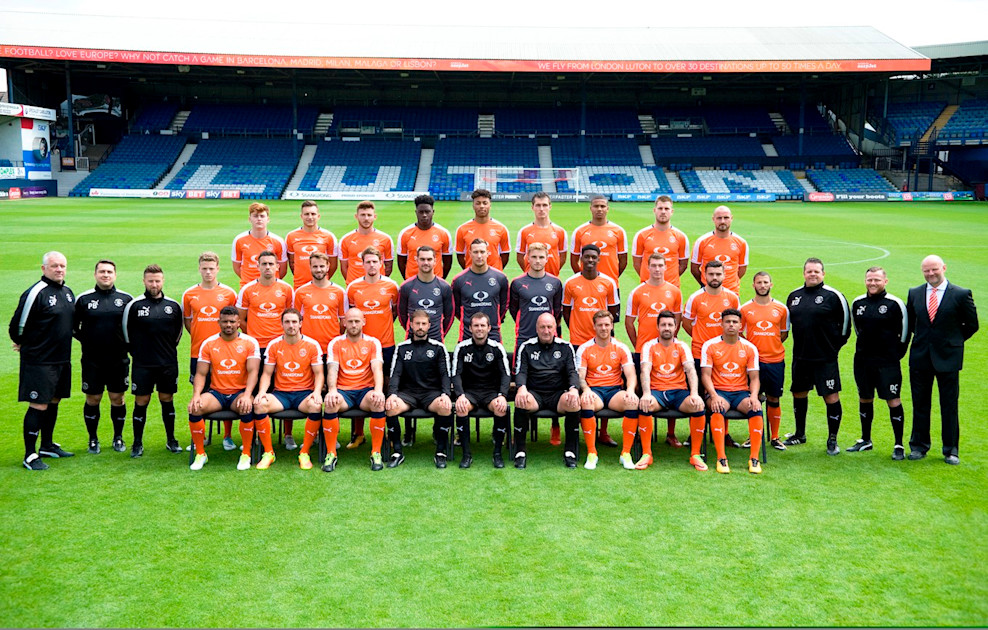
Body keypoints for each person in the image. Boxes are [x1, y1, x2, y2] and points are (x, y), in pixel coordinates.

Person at [905, 255, 978, 465]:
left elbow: (972, 324)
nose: (931, 274)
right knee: (920, 404)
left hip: (948, 358)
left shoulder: (961, 294)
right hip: (920, 358)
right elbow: (911, 323)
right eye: (926, 271)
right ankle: (918, 446)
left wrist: (953, 341)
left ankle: (951, 449)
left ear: (944, 268)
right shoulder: (915, 293)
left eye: (934, 269)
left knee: (949, 405)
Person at [9, 251, 75, 470]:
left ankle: (47, 444)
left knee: (54, 401)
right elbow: (16, 326)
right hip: (39, 361)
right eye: (54, 266)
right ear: (43, 268)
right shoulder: (35, 293)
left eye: (62, 266)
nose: (59, 270)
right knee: (39, 404)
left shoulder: (67, 292)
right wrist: (24, 344)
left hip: (61, 360)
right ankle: (30, 454)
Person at [784, 258, 851, 455]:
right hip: (801, 357)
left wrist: (833, 348)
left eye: (816, 271)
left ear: (823, 274)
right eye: (809, 271)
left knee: (830, 396)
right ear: (804, 273)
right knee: (799, 393)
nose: (812, 274)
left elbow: (846, 325)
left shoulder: (834, 296)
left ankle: (832, 439)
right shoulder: (794, 296)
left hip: (825, 359)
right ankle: (799, 433)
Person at [187, 307, 261, 471]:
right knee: (195, 408)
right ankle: (201, 454)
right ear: (218, 322)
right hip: (217, 394)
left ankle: (246, 454)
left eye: (232, 321)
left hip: (239, 393)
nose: (228, 325)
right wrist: (196, 395)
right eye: (225, 321)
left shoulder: (250, 342)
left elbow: (253, 371)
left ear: (239, 323)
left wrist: (248, 395)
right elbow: (200, 373)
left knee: (246, 406)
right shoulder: (209, 343)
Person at [122, 264, 184, 458]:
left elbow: (178, 334)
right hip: (143, 364)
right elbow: (126, 333)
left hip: (167, 363)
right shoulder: (134, 305)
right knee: (142, 401)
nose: (154, 284)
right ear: (144, 281)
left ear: (163, 281)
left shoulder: (173, 306)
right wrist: (138, 353)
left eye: (157, 280)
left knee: (167, 399)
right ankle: (137, 443)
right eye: (150, 281)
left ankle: (171, 440)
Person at [253, 309, 325, 470]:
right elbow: (266, 373)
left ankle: (304, 452)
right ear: (282, 324)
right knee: (259, 404)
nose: (291, 325)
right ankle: (268, 452)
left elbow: (319, 374)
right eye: (287, 322)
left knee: (315, 405)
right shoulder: (274, 345)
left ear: (300, 324)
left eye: (294, 322)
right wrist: (262, 392)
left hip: (304, 394)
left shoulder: (312, 345)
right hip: (281, 395)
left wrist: (317, 392)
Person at [848, 267, 909, 458]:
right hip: (863, 361)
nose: (872, 283)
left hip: (888, 363)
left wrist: (894, 355)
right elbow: (858, 330)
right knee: (865, 398)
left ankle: (898, 444)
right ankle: (866, 440)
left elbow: (905, 333)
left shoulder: (895, 304)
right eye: (869, 280)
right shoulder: (858, 303)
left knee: (893, 400)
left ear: (885, 281)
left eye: (876, 280)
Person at [563, 244, 619, 446]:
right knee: (578, 387)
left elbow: (613, 312)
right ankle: (576, 430)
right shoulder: (570, 283)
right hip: (578, 343)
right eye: (586, 257)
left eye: (594, 257)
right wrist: (577, 331)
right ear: (580, 259)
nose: (590, 261)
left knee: (604, 383)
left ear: (599, 259)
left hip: (602, 343)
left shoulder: (609, 282)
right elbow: (566, 312)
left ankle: (602, 432)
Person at [73, 259, 132, 454]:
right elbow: (73, 327)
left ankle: (118, 437)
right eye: (101, 272)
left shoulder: (126, 299)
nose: (105, 275)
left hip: (118, 359)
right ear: (95, 274)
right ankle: (93, 439)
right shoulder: (83, 299)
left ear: (115, 275)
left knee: (117, 398)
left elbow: (134, 328)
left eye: (109, 272)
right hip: (92, 360)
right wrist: (88, 341)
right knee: (93, 398)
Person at [625, 253, 683, 447]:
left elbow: (677, 320)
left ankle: (671, 433)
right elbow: (629, 321)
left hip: (667, 349)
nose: (657, 269)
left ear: (666, 267)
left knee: (671, 384)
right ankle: (642, 432)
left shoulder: (674, 291)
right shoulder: (638, 291)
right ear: (647, 268)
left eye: (660, 265)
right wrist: (638, 345)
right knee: (643, 391)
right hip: (643, 350)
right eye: (654, 266)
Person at [345, 246, 400, 449]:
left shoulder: (392, 286)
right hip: (360, 346)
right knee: (359, 386)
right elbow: (351, 319)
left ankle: (384, 432)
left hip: (386, 345)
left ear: (381, 264)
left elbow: (395, 313)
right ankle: (358, 434)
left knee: (384, 388)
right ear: (362, 263)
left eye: (375, 261)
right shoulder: (353, 288)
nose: (371, 265)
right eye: (367, 261)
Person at [182, 251, 238, 450]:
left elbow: (234, 320)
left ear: (217, 269)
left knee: (228, 390)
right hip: (198, 353)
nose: (208, 272)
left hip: (226, 353)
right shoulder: (189, 294)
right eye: (204, 268)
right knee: (201, 393)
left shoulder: (229, 293)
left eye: (211, 269)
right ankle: (202, 437)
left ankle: (228, 436)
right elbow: (188, 322)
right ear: (199, 269)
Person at [291, 251, 346, 448]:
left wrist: (331, 341)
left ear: (328, 267)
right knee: (312, 393)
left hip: (331, 351)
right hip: (308, 351)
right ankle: (314, 434)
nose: (319, 270)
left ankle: (331, 434)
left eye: (322, 266)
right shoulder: (301, 292)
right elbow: (296, 321)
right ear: (310, 267)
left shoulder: (339, 292)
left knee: (331, 392)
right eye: (315, 266)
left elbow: (342, 322)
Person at [640, 311, 708, 471]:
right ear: (657, 327)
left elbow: (691, 370)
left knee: (698, 406)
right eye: (663, 325)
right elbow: (645, 370)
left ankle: (696, 454)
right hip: (657, 392)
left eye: (670, 325)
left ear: (675, 327)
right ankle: (646, 453)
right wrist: (647, 393)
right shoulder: (649, 346)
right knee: (645, 405)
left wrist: (694, 394)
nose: (666, 328)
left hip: (678, 392)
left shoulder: (682, 346)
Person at [386, 310, 454, 469]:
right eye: (417, 323)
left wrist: (445, 394)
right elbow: (395, 374)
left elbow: (445, 374)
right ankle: (397, 452)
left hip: (431, 394)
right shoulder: (402, 348)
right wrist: (392, 395)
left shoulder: (438, 348)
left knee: (445, 407)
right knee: (390, 408)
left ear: (429, 325)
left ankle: (441, 452)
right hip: (407, 394)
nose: (420, 327)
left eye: (424, 324)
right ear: (411, 325)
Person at [700, 308, 765, 474]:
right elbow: (705, 376)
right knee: (717, 408)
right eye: (727, 321)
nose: (731, 325)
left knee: (755, 408)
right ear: (721, 324)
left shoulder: (750, 348)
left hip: (741, 393)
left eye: (735, 322)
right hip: (719, 392)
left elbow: (755, 377)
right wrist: (713, 396)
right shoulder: (710, 345)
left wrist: (754, 397)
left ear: (740, 326)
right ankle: (721, 458)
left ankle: (754, 458)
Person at [513, 313, 582, 469]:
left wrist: (573, 389)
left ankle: (570, 450)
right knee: (522, 401)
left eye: (549, 327)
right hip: (535, 394)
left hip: (557, 395)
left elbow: (572, 372)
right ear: (536, 329)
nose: (546, 331)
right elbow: (521, 371)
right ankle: (520, 451)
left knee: (574, 403)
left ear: (554, 329)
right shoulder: (527, 346)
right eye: (542, 327)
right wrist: (522, 389)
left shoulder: (565, 347)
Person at [683, 259, 740, 445]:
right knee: (698, 395)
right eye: (711, 274)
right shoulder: (695, 298)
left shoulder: (731, 297)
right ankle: (695, 434)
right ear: (704, 275)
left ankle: (724, 434)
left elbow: (736, 323)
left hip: (725, 355)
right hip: (700, 353)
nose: (714, 278)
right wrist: (701, 339)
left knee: (724, 391)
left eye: (718, 274)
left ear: (724, 275)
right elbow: (686, 322)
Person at [324, 309, 387, 471]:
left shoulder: (373, 343)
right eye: (350, 321)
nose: (353, 325)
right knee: (330, 403)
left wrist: (378, 390)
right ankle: (331, 453)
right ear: (344, 322)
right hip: (344, 392)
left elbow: (377, 369)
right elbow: (332, 369)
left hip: (365, 391)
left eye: (357, 321)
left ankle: (376, 452)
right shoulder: (336, 343)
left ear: (364, 322)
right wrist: (332, 390)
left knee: (378, 402)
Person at [576, 311, 639, 471]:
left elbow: (630, 374)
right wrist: (586, 389)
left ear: (611, 326)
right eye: (600, 325)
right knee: (586, 401)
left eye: (606, 324)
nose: (603, 328)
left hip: (614, 392)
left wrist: (630, 390)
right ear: (594, 326)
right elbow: (580, 376)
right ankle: (592, 453)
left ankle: (626, 453)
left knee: (632, 402)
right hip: (594, 391)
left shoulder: (621, 347)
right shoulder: (585, 348)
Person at [451, 312, 512, 469]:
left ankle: (497, 454)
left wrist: (502, 396)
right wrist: (460, 396)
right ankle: (466, 455)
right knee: (461, 407)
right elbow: (456, 375)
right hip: (470, 392)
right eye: (476, 326)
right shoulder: (462, 348)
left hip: (490, 393)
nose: (479, 329)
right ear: (470, 328)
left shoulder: (497, 348)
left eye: (482, 325)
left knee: (500, 407)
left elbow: (506, 375)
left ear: (489, 328)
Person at [740, 271, 790, 451]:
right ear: (753, 285)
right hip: (754, 362)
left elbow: (783, 333)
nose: (762, 285)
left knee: (774, 398)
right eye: (759, 282)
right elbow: (740, 333)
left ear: (771, 284)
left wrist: (772, 345)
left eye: (765, 282)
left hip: (776, 360)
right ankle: (754, 435)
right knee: (753, 398)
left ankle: (775, 437)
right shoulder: (745, 309)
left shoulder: (782, 309)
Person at [237, 250, 294, 369]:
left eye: (271, 264)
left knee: (280, 381)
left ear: (277, 266)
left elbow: (292, 317)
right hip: (256, 344)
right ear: (258, 266)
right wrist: (252, 335)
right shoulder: (247, 289)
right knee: (257, 381)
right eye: (264, 264)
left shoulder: (287, 289)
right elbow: (240, 319)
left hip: (280, 343)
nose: (267, 267)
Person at [451, 238, 509, 342]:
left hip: (493, 335)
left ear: (488, 253)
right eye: (475, 252)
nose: (479, 256)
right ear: (469, 254)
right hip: (467, 336)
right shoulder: (459, 280)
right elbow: (456, 309)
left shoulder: (500, 278)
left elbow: (504, 306)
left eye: (482, 252)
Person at [509, 242, 563, 344]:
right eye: (534, 257)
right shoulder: (517, 283)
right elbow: (513, 310)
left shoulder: (555, 282)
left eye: (541, 257)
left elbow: (557, 311)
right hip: (524, 336)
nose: (537, 261)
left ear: (547, 259)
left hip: (548, 337)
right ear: (528, 258)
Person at [397, 246, 454, 343]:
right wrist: (414, 330)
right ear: (416, 260)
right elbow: (401, 314)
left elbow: (450, 316)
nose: (426, 263)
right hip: (412, 340)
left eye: (429, 259)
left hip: (436, 340)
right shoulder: (406, 286)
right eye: (422, 259)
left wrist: (439, 333)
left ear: (435, 261)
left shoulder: (444, 287)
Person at [690, 205, 748, 295]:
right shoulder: (702, 241)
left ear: (731, 218)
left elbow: (742, 268)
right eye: (719, 218)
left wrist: (730, 282)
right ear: (713, 219)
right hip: (708, 291)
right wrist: (705, 283)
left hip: (732, 292)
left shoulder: (741, 242)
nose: (722, 221)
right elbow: (694, 268)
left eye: (726, 218)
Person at [632, 195, 689, 286]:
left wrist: (670, 279)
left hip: (672, 287)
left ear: (672, 211)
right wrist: (649, 279)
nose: (663, 212)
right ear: (655, 210)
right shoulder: (641, 235)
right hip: (647, 287)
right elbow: (637, 263)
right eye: (660, 208)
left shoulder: (681, 236)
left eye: (666, 209)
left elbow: (683, 265)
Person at [569, 194, 628, 282]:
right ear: (591, 208)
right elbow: (574, 261)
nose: (599, 209)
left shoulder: (618, 231)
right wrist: (583, 277)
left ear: (607, 209)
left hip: (611, 283)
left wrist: (613, 277)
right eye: (596, 206)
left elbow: (623, 260)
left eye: (602, 206)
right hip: (586, 282)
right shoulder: (579, 231)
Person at [231, 202, 288, 288]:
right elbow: (237, 267)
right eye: (255, 216)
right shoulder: (239, 240)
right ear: (249, 219)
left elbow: (282, 269)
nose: (259, 219)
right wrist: (249, 280)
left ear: (268, 219)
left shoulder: (278, 241)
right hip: (247, 287)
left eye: (262, 216)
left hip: (271, 287)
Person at [397, 194, 452, 280]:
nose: (424, 215)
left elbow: (447, 262)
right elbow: (401, 261)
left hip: (436, 281)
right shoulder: (405, 233)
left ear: (433, 212)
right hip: (412, 281)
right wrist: (408, 280)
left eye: (427, 212)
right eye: (421, 212)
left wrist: (440, 280)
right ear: (416, 212)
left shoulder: (444, 233)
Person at [285, 200, 338, 289]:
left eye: (313, 214)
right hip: (299, 286)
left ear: (318, 216)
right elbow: (292, 262)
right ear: (301, 216)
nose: (310, 217)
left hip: (321, 286)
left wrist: (321, 277)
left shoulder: (329, 236)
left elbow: (332, 265)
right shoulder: (291, 236)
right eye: (306, 214)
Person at [338, 201, 394, 284]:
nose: (366, 218)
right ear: (356, 216)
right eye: (363, 215)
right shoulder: (346, 239)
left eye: (369, 215)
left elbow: (388, 266)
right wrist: (353, 283)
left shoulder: (385, 239)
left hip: (377, 286)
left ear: (374, 217)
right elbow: (344, 267)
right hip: (354, 287)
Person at [455, 189, 510, 271]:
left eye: (485, 203)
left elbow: (505, 255)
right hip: (472, 276)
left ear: (490, 205)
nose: (481, 206)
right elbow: (460, 255)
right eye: (478, 203)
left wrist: (496, 271)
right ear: (473, 206)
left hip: (494, 276)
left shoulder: (501, 228)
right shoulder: (462, 229)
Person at [515, 192, 567, 277]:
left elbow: (562, 258)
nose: (541, 209)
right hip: (531, 279)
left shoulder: (560, 231)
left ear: (550, 207)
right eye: (538, 205)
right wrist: (529, 271)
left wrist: (553, 272)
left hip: (553, 279)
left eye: (545, 205)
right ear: (533, 207)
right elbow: (520, 257)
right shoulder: (524, 231)